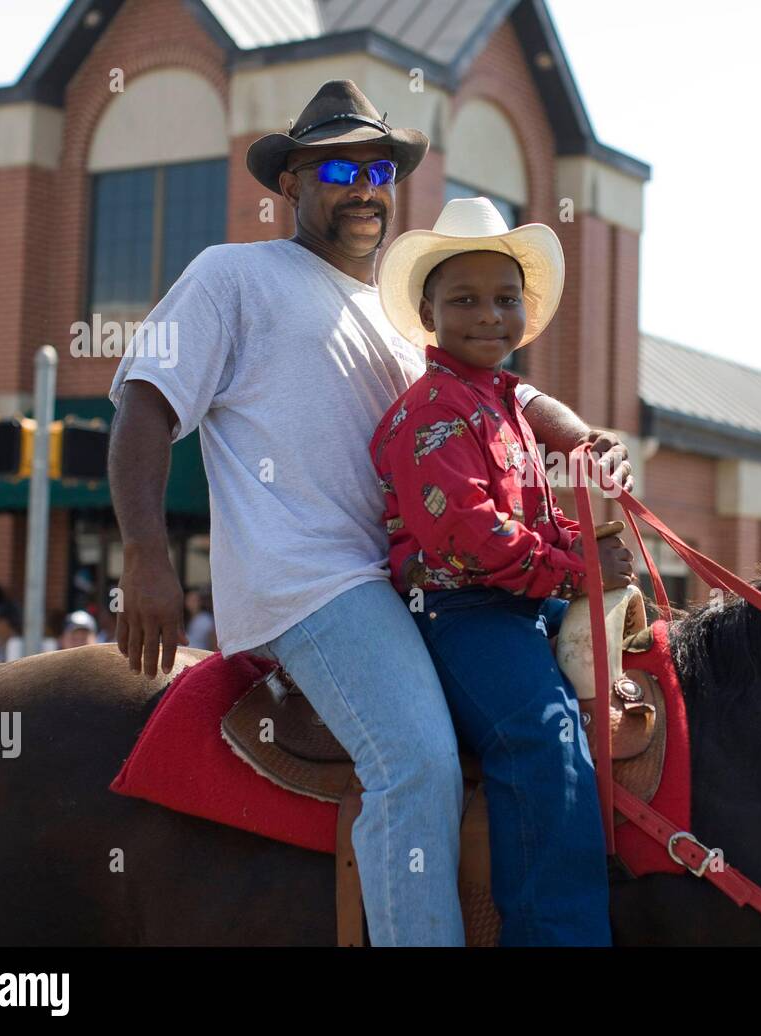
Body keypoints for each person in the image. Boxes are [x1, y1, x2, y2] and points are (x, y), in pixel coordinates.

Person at [107, 79, 634, 947]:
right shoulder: (234, 274)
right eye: (338, 167)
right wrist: (144, 555)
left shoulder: (402, 322)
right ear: (290, 187)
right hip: (314, 585)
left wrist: (584, 436)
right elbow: (144, 407)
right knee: (416, 763)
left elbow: (510, 391)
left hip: (419, 588)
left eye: (379, 167)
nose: (364, 186)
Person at [369, 197, 634, 944]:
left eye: (505, 299)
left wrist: (589, 442)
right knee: (544, 745)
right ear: (428, 312)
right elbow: (467, 537)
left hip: (522, 599)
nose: (490, 316)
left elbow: (533, 407)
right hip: (464, 613)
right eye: (465, 300)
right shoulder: (428, 414)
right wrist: (579, 568)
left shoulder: (501, 396)